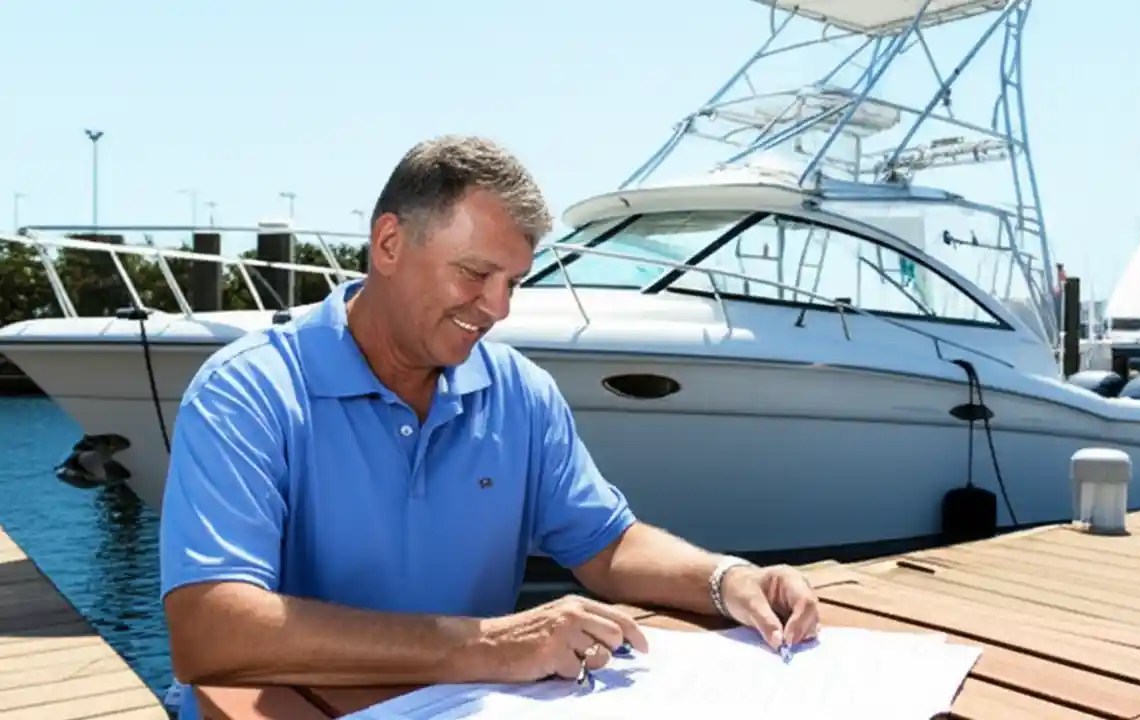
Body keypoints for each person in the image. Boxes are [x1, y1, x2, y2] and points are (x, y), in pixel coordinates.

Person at [159, 135, 821, 718]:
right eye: (477, 274)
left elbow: (608, 546)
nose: (498, 308)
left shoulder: (521, 394)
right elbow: (209, 633)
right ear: (389, 244)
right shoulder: (244, 392)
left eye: (513, 282)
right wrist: (488, 646)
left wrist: (726, 579)